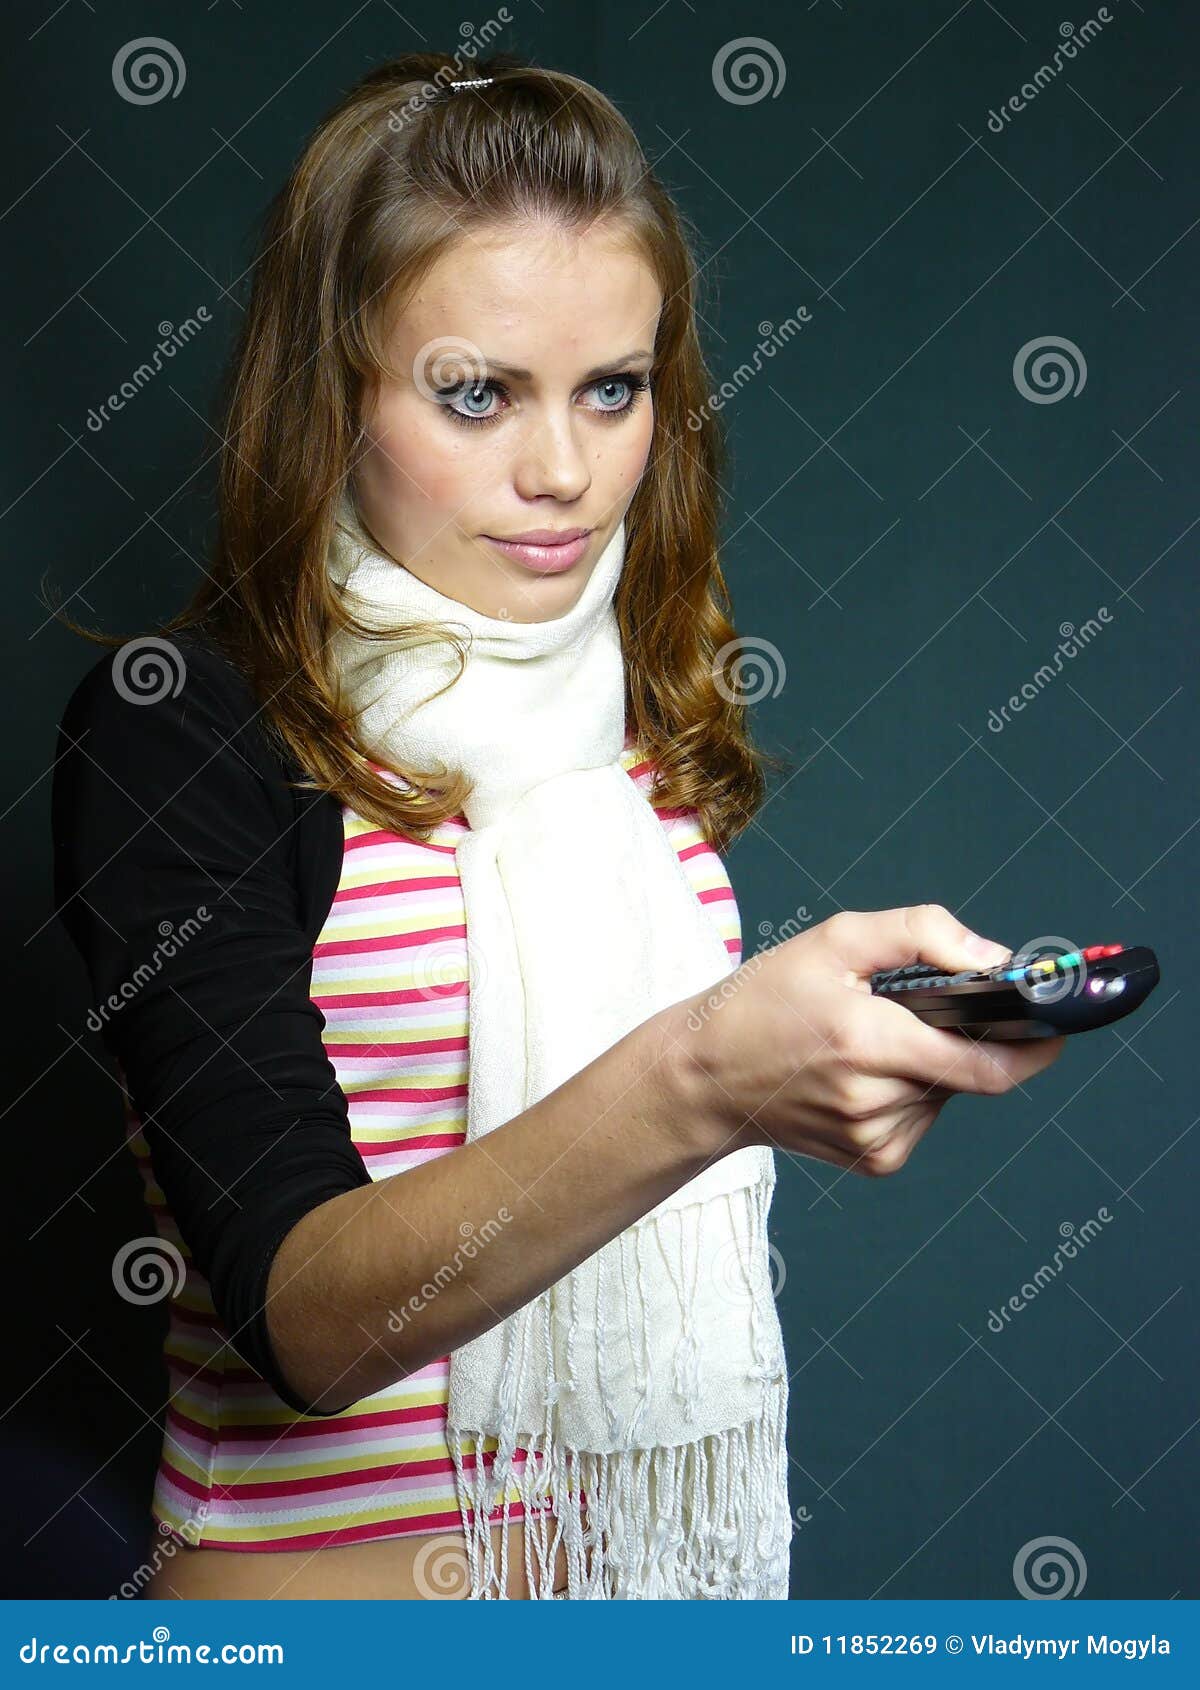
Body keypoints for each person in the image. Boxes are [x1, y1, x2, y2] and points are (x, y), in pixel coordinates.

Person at [50, 52, 1064, 1602]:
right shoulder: (181, 724)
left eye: (615, 387)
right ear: (336, 390)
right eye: (477, 392)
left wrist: (833, 1057)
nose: (565, 473)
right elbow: (309, 1323)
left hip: (643, 1609)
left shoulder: (629, 719)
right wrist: (710, 1070)